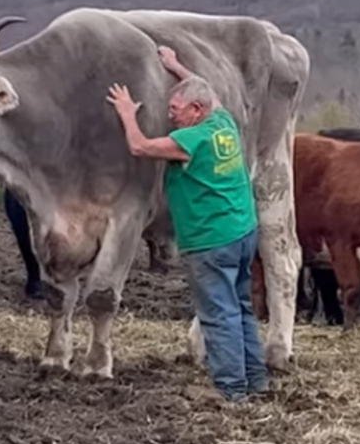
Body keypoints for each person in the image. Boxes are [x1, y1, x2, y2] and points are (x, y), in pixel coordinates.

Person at [106, 46, 268, 403]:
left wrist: (126, 113)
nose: (170, 115)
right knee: (239, 307)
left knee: (217, 314)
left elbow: (140, 147)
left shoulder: (191, 139)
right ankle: (255, 381)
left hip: (210, 241)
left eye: (175, 110)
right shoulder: (222, 122)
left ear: (197, 111)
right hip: (242, 232)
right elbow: (205, 87)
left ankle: (230, 391)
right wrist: (176, 67)